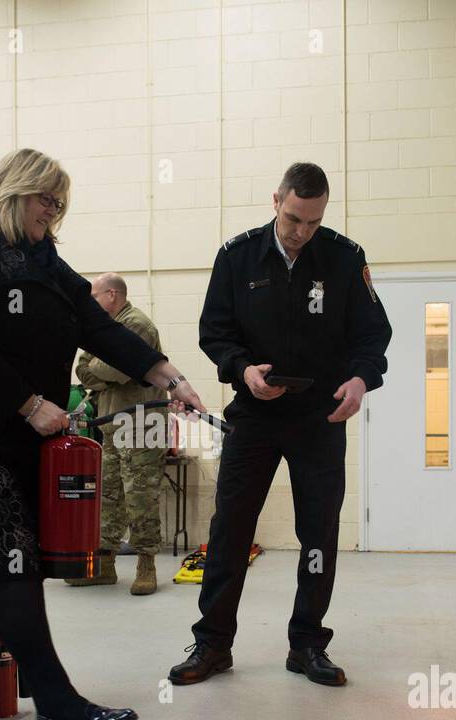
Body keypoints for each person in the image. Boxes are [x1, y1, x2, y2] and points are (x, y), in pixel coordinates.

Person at [0, 148, 205, 720]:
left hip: (3, 423)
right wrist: (32, 405)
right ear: (15, 191)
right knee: (9, 552)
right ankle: (56, 704)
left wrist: (170, 377)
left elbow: (100, 326)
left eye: (61, 204)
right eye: (47, 199)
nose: (54, 212)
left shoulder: (43, 261)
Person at [169, 162, 392, 688]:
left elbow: (372, 334)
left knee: (318, 532)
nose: (301, 232)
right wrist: (241, 370)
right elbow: (214, 331)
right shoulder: (236, 255)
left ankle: (308, 644)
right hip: (254, 415)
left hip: (320, 416)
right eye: (294, 218)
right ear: (276, 201)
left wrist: (361, 380)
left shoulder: (344, 257)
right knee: (230, 528)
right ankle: (213, 644)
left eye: (313, 222)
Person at [69, 272, 168, 595]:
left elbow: (114, 371)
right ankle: (105, 564)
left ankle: (146, 564)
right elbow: (83, 369)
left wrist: (102, 371)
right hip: (113, 425)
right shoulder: (105, 331)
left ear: (112, 295)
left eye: (95, 297)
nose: (92, 305)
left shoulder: (137, 325)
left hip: (141, 426)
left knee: (140, 497)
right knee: (108, 496)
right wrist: (102, 371)